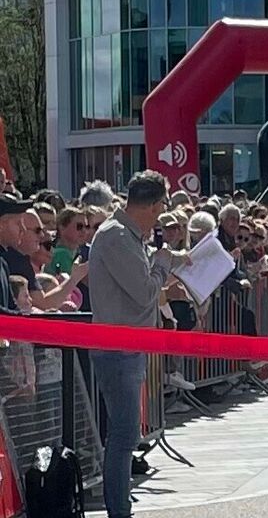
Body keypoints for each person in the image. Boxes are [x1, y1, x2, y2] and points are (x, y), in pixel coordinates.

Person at [89, 170, 190, 518]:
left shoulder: (127, 236)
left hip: (128, 344)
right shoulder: (116, 237)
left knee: (125, 433)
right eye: (162, 205)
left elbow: (140, 289)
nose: (162, 213)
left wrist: (167, 261)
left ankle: (120, 505)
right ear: (151, 205)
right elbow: (144, 291)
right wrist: (163, 261)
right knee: (123, 434)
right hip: (118, 348)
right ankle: (119, 509)